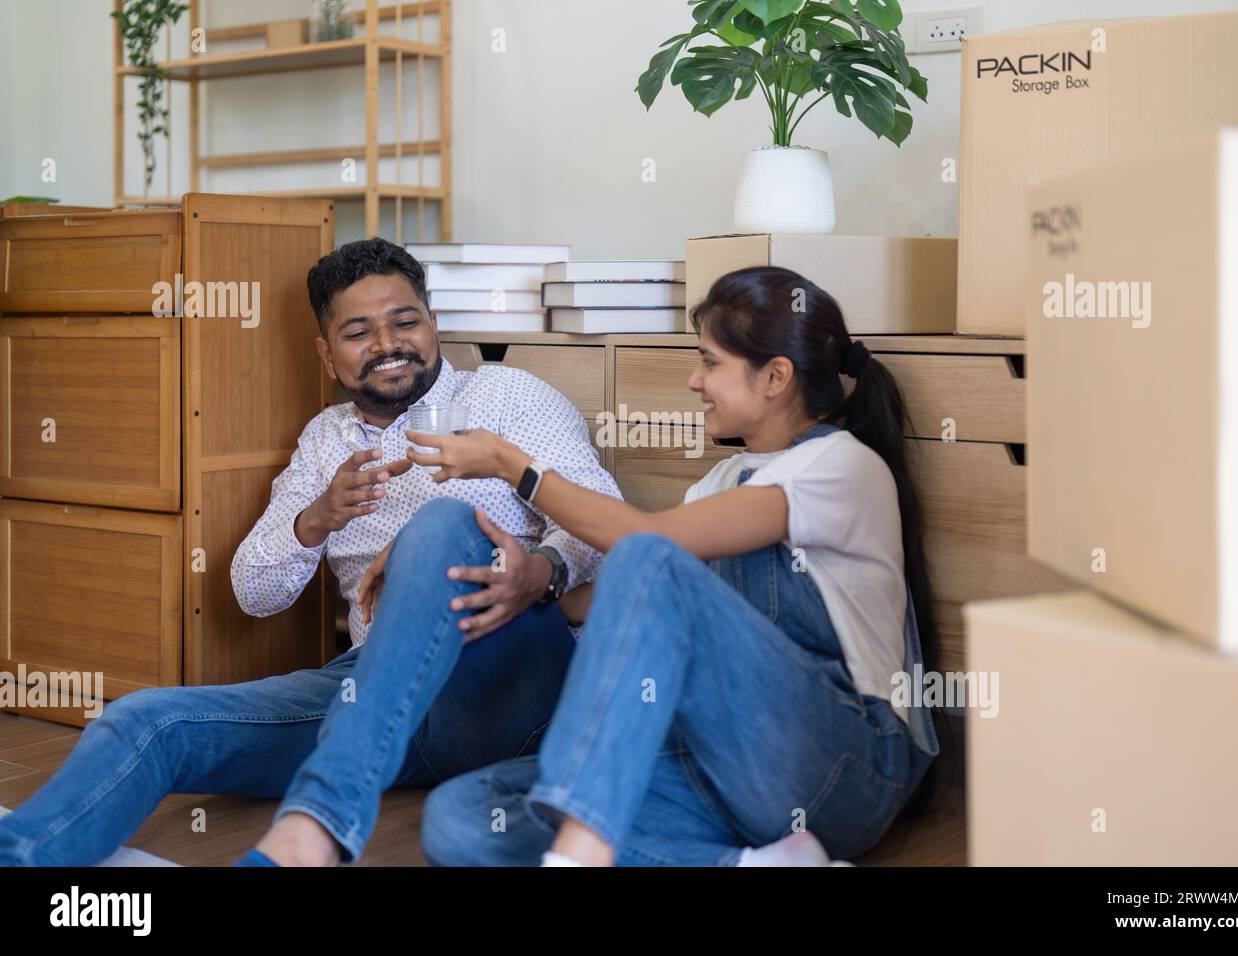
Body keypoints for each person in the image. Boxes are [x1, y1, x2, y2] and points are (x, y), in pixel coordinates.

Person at [0, 238, 620, 867]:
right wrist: (316, 519)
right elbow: (252, 591)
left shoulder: (509, 398)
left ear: (433, 323)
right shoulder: (325, 440)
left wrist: (541, 573)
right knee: (146, 720)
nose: (387, 344)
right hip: (371, 694)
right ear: (328, 355)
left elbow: (604, 521)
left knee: (442, 523)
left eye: (404, 321)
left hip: (502, 678)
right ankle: (20, 855)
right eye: (359, 332)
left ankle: (317, 827)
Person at [413, 266, 941, 866]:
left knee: (648, 556)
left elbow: (647, 544)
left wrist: (517, 468)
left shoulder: (842, 467)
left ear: (776, 376)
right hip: (722, 764)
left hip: (841, 767)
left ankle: (578, 853)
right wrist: (525, 589)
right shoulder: (722, 480)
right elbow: (624, 595)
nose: (695, 381)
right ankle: (755, 863)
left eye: (710, 362)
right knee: (464, 817)